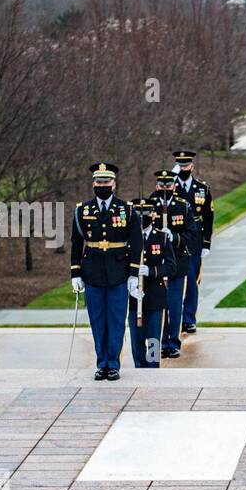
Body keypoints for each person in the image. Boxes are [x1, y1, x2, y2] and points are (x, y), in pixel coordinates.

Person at [70, 162, 140, 381]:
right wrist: (75, 273)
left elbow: (137, 242)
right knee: (98, 321)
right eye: (98, 182)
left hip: (119, 272)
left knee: (116, 320)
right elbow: (76, 243)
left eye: (106, 182)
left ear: (114, 183)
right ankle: (102, 364)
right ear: (93, 184)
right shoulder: (82, 210)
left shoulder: (127, 210)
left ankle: (114, 364)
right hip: (93, 273)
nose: (102, 185)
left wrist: (133, 274)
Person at [150, 169, 196, 359]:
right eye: (161, 185)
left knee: (174, 306)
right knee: (156, 307)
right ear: (156, 186)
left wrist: (174, 237)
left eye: (168, 185)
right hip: (156, 265)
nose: (165, 188)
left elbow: (191, 233)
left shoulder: (183, 206)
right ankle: (159, 343)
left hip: (177, 263)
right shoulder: (149, 205)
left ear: (174, 186)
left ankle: (173, 343)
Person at [127, 197, 177, 369]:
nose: (142, 217)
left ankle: (153, 367)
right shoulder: (128, 239)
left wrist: (151, 271)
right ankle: (139, 368)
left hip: (155, 297)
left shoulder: (161, 238)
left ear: (153, 215)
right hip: (134, 297)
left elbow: (171, 267)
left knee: (154, 338)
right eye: (138, 213)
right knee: (137, 339)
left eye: (146, 213)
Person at [172, 150, 213, 336]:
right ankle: (175, 319)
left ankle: (189, 319)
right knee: (175, 282)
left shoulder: (202, 189)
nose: (183, 169)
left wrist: (206, 243)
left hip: (195, 240)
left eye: (186, 165)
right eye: (180, 166)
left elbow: (208, 217)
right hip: (175, 240)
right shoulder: (170, 188)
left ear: (192, 166)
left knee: (193, 282)